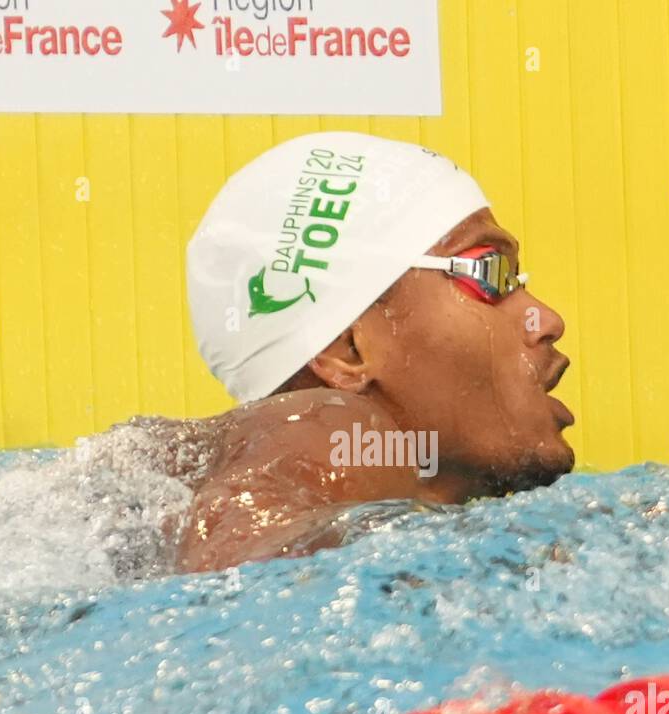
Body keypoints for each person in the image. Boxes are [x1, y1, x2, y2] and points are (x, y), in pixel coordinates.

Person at [171, 131, 573, 573]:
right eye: (490, 274)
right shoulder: (340, 428)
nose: (546, 320)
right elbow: (231, 567)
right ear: (346, 350)